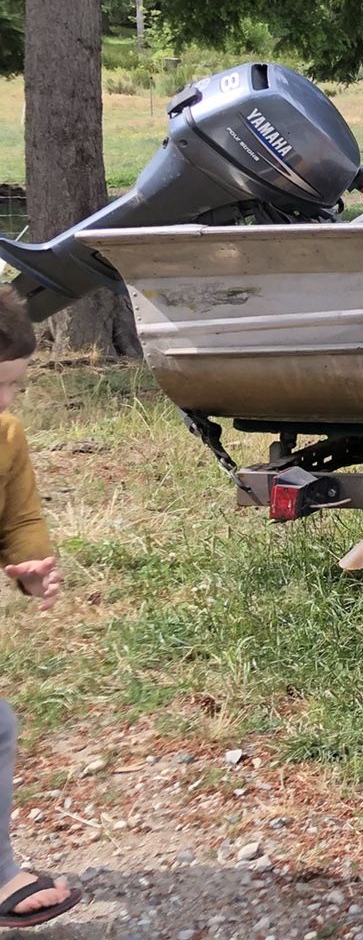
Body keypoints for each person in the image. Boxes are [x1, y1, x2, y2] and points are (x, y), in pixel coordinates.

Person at [0, 291, 79, 929]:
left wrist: (29, 567)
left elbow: (20, 518)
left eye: (14, 386)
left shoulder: (6, 435)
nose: (5, 401)